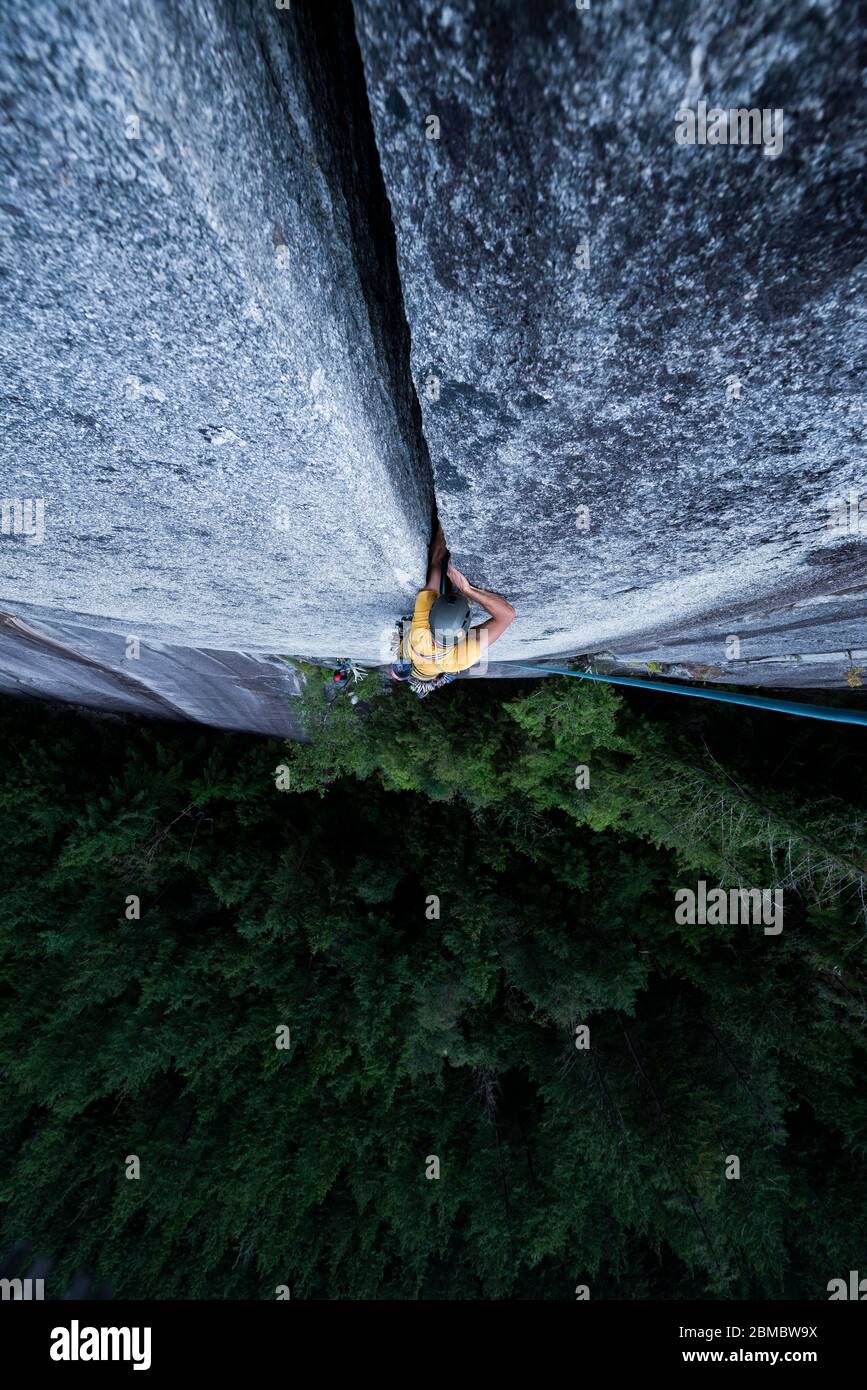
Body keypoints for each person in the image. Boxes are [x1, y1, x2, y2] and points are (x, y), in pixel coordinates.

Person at [391, 518, 516, 697]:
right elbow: (435, 564)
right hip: (417, 658)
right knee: (422, 676)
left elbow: (507, 616)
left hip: (428, 664)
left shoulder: (456, 660)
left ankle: (424, 681)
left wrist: (468, 591)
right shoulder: (420, 636)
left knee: (433, 677)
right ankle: (415, 680)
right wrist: (467, 588)